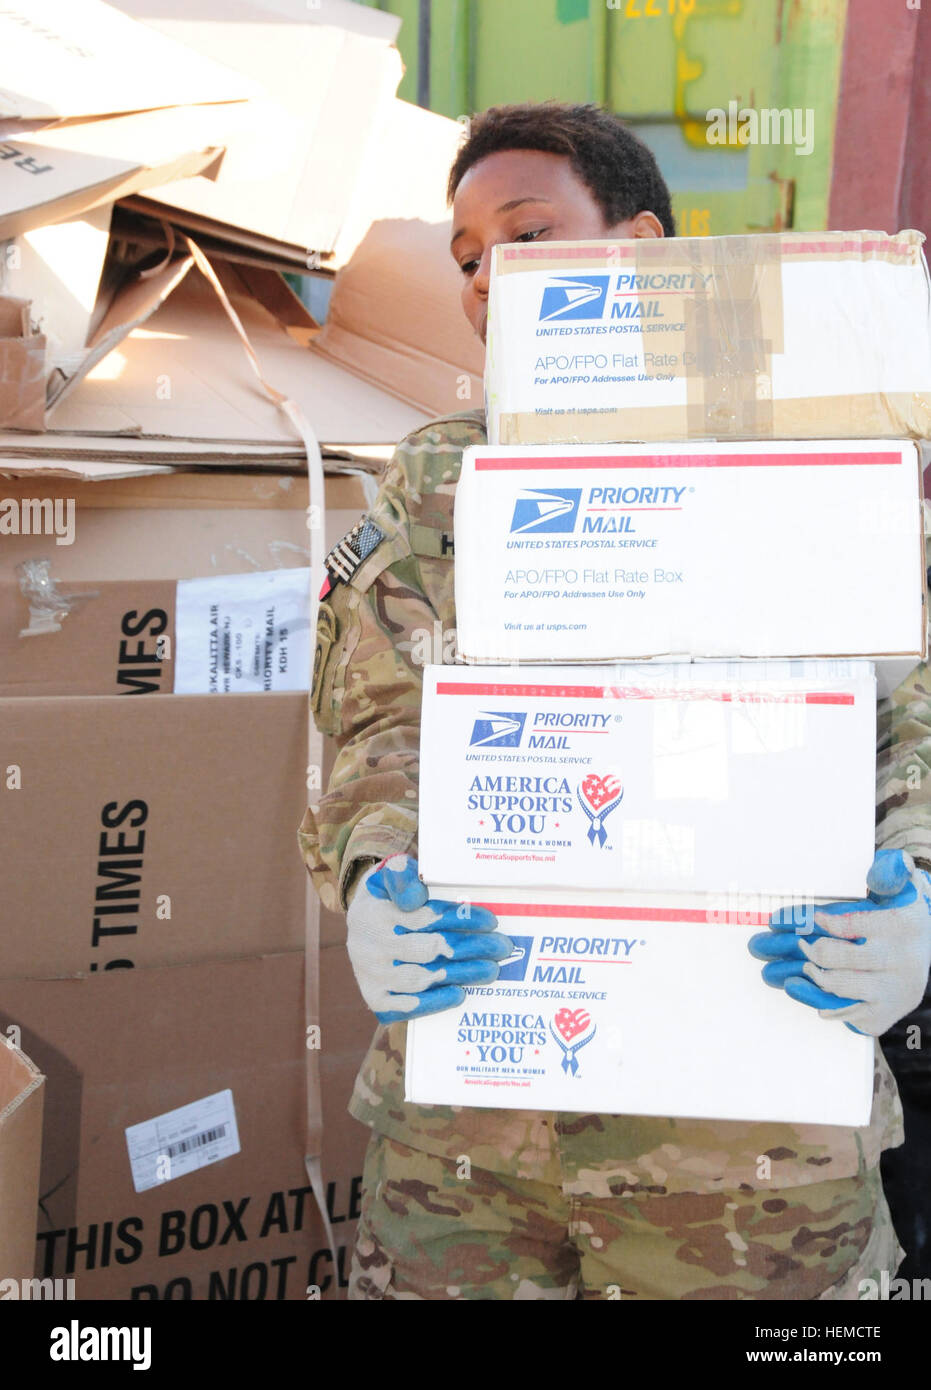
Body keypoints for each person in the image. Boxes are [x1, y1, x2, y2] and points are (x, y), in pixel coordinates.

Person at [299, 102, 930, 1300]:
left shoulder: (819, 459)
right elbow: (381, 719)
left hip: (753, 1159)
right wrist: (374, 877)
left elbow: (913, 711)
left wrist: (920, 892)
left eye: (527, 237)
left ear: (639, 242)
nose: (488, 280)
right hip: (473, 1146)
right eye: (471, 260)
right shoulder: (445, 478)